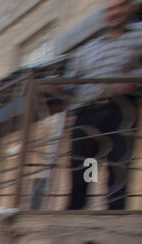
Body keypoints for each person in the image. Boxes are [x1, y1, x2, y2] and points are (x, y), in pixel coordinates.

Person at [62, 0, 142, 210]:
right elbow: (71, 79)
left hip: (120, 110)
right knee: (87, 166)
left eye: (120, 7)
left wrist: (134, 78)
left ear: (130, 8)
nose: (114, 13)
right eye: (110, 9)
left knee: (117, 166)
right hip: (88, 114)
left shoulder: (138, 37)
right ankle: (79, 215)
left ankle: (113, 219)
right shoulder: (89, 48)